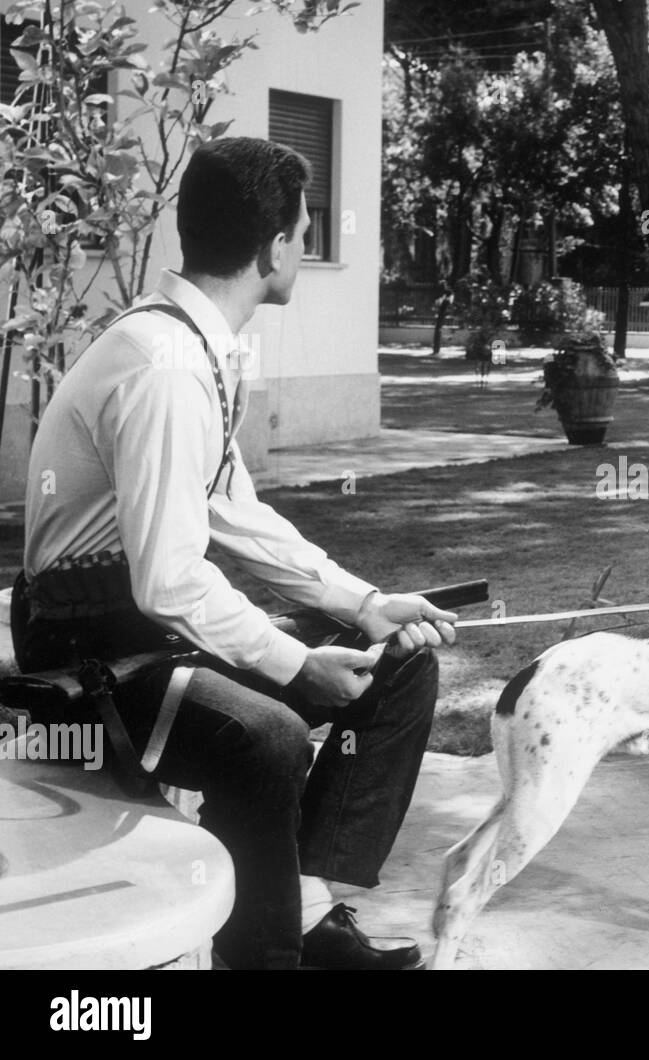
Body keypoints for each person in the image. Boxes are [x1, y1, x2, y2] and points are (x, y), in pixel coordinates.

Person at [11, 137, 457, 969]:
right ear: (276, 245)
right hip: (90, 653)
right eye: (303, 228)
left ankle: (307, 910)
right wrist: (295, 664)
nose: (303, 243)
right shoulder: (164, 367)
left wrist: (363, 606)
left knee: (395, 664)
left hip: (141, 625)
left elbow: (231, 512)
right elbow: (171, 576)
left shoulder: (191, 343)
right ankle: (262, 958)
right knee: (269, 736)